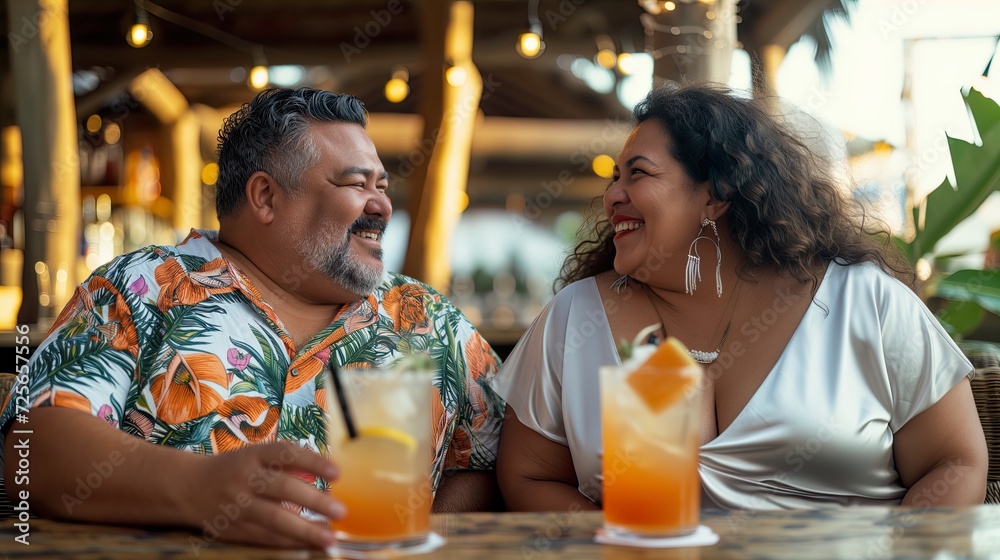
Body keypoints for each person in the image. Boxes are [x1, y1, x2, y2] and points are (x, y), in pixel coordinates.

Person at [1, 88, 505, 549]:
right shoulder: (144, 286)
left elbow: (496, 463)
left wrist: (427, 530)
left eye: (382, 185)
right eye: (356, 184)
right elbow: (33, 453)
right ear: (265, 196)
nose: (382, 205)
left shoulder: (429, 321)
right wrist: (197, 490)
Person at [492, 83, 988, 512]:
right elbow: (529, 477)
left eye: (637, 174)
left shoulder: (865, 302)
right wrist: (625, 540)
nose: (613, 196)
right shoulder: (573, 319)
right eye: (613, 178)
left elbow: (955, 461)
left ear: (714, 197)